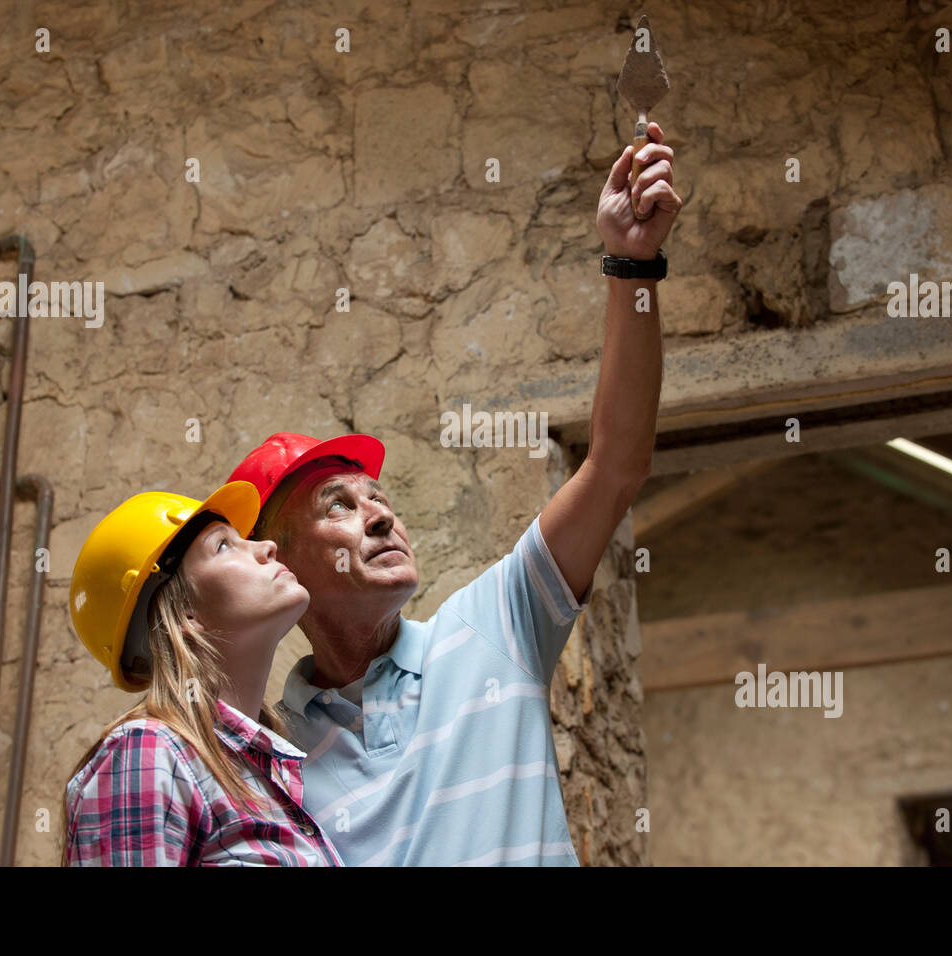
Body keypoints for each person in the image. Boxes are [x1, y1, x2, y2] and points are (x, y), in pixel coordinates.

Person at [224, 122, 681, 865]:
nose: (379, 512)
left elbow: (615, 465)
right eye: (338, 504)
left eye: (377, 496)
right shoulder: (278, 763)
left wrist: (633, 266)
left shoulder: (494, 626)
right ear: (283, 563)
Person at [62, 480, 342, 866]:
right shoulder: (148, 753)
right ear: (185, 616)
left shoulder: (264, 772)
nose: (267, 547)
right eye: (223, 545)